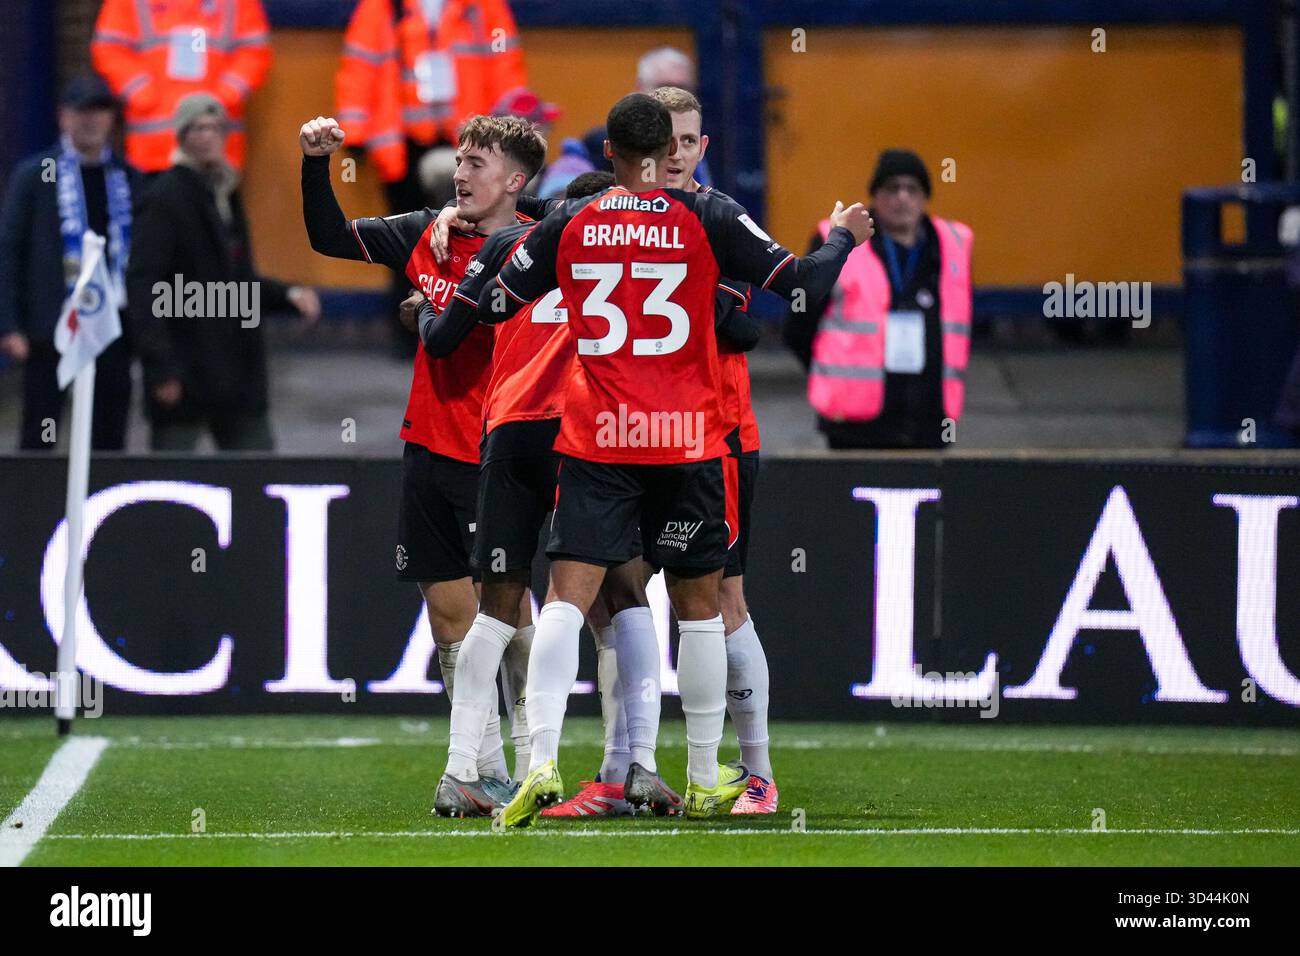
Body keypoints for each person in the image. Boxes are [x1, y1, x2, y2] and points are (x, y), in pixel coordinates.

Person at [486, 93, 871, 826]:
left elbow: (502, 299)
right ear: (669, 150)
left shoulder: (572, 220)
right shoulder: (708, 217)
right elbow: (801, 286)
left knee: (567, 599)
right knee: (702, 609)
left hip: (599, 437)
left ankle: (538, 764)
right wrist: (843, 238)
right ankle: (702, 775)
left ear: (607, 152)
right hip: (687, 438)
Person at [300, 111, 545, 804]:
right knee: (448, 616)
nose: (459, 172)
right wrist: (317, 163)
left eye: (476, 163)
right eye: (459, 160)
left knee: (509, 610)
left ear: (516, 181)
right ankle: (483, 771)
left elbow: (587, 202)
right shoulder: (424, 234)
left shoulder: (542, 247)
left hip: (499, 450)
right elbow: (329, 236)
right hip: (427, 446)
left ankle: (534, 761)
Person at [128, 94, 320, 451]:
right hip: (185, 371)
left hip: (236, 372)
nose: (208, 136)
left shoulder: (225, 193)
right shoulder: (164, 198)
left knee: (257, 475)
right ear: (182, 136)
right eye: (198, 128)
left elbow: (234, 280)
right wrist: (160, 367)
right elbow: (143, 285)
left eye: (216, 127)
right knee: (172, 481)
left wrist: (287, 295)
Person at [336, 0, 527, 355]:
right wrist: (355, 131)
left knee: (474, 241)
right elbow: (359, 66)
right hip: (402, 146)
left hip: (471, 145)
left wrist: (508, 132)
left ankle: (471, 332)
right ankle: (410, 335)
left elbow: (505, 68)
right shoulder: (381, 8)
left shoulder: (483, 8)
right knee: (407, 244)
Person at [783, 149, 974, 450]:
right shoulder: (837, 241)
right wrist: (833, 376)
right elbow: (798, 326)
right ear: (874, 197)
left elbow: (960, 327)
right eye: (892, 188)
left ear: (925, 198)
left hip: (928, 420)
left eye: (912, 189)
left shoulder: (954, 245)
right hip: (855, 427)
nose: (902, 198)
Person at [0, 74, 139, 452]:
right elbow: (9, 250)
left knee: (109, 438)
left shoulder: (128, 178)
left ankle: (101, 506)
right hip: (50, 329)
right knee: (40, 434)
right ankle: (37, 509)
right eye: (82, 112)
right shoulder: (35, 175)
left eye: (100, 111)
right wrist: (9, 324)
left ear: (112, 119)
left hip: (112, 328)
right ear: (63, 118)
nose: (91, 121)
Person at [91, 0, 272, 174]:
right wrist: (142, 92)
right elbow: (110, 48)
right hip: (153, 149)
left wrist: (223, 97)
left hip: (216, 151)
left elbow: (254, 50)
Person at [580, 46, 711, 187]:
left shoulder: (702, 147)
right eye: (664, 87)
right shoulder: (597, 146)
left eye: (683, 88)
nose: (675, 97)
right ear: (639, 89)